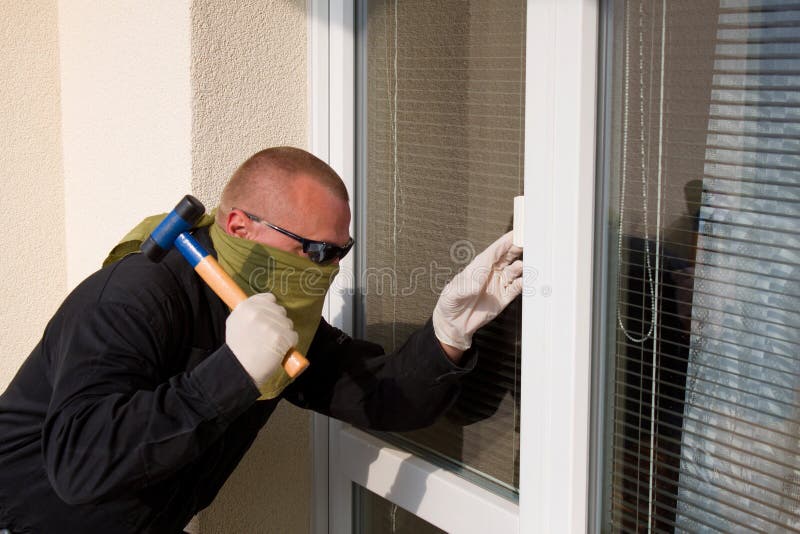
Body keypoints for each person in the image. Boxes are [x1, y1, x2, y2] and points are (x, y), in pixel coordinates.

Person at [0, 147, 523, 533]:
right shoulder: (135, 296)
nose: (329, 269)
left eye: (341, 252)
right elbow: (80, 467)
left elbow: (381, 398)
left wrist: (450, 330)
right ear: (238, 225)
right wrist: (230, 373)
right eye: (315, 251)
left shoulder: (278, 314)